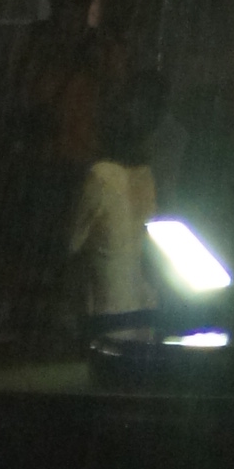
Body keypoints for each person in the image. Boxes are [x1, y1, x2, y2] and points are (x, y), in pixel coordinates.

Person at [66, 71, 166, 343]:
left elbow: (71, 242)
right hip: (145, 311)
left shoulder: (100, 176)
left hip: (108, 316)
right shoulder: (145, 175)